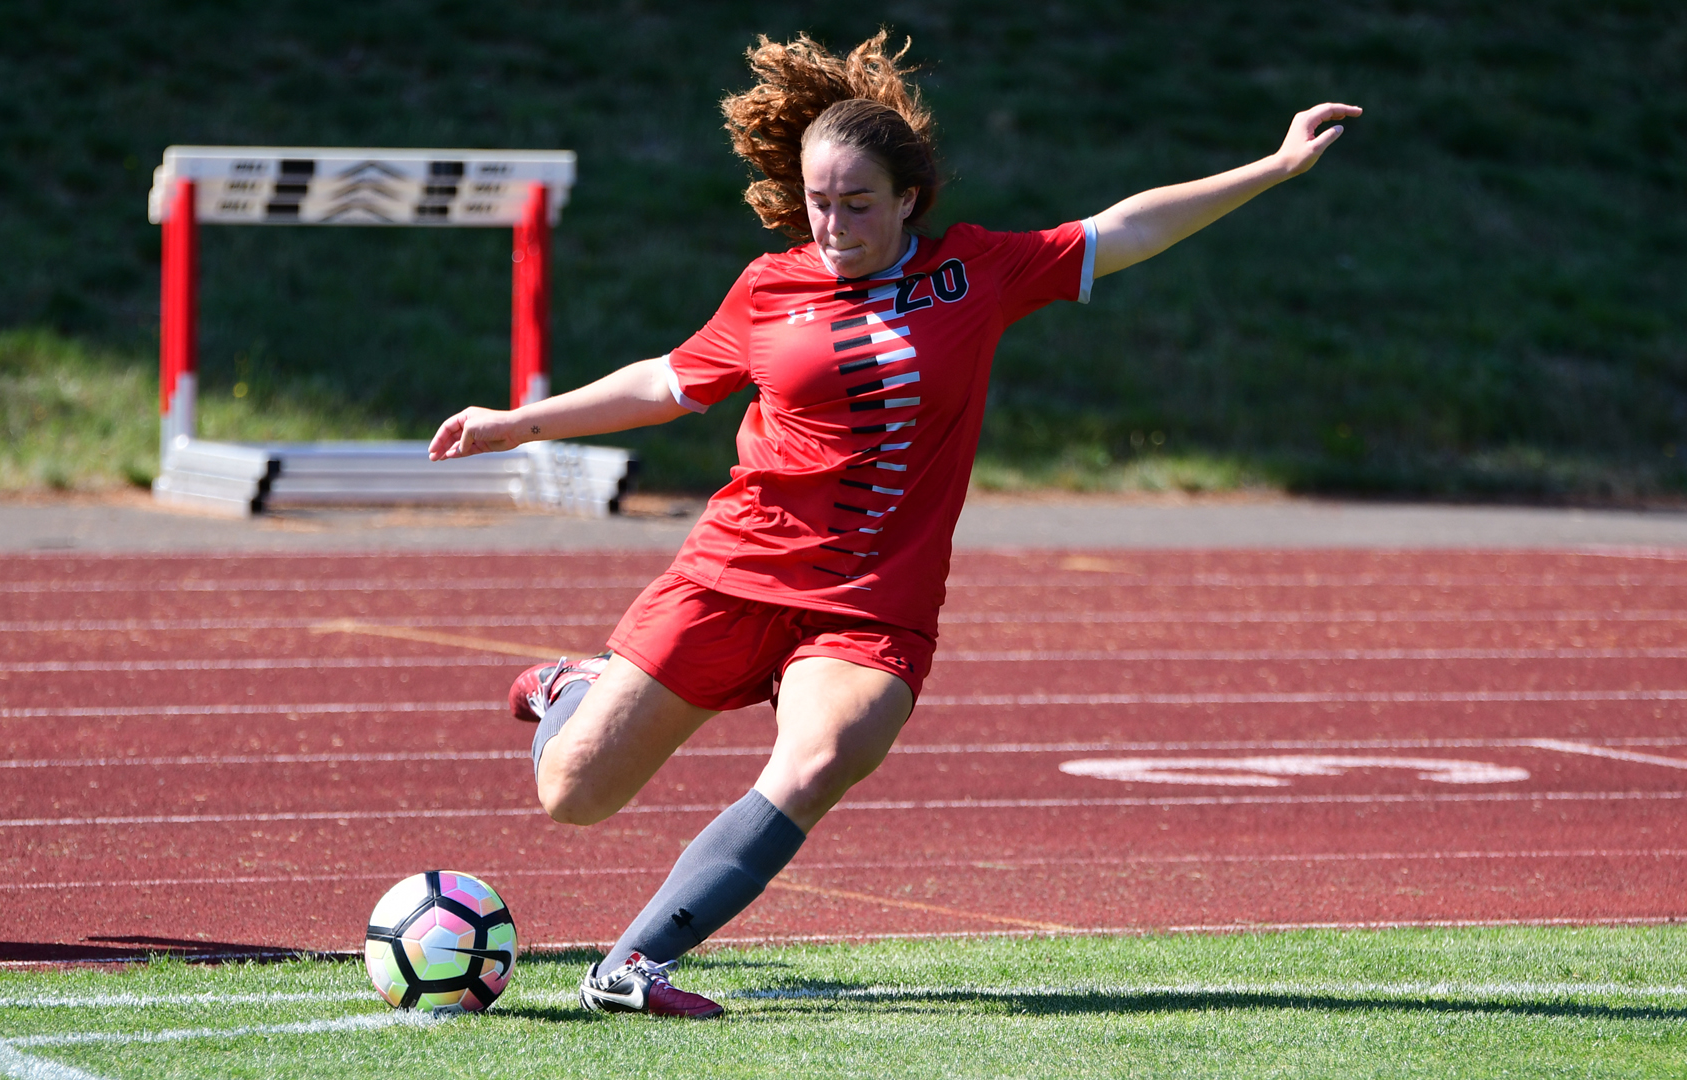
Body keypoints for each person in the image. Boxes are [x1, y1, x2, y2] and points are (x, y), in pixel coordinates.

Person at [430, 31, 1359, 1017]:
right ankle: (575, 690)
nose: (833, 223)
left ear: (910, 197)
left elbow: (1123, 230)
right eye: (819, 201)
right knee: (575, 794)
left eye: (857, 203)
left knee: (825, 754)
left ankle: (632, 966)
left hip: (872, 603)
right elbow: (666, 381)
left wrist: (1278, 164)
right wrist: (517, 423)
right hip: (735, 572)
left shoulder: (977, 273)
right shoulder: (769, 286)